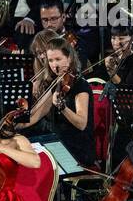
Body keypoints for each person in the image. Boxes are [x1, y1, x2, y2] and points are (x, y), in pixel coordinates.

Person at [27, 37, 95, 168]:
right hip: (59, 142)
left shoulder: (80, 85)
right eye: (51, 60)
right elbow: (36, 115)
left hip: (77, 148)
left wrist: (63, 108)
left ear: (69, 58)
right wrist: (14, 125)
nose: (54, 65)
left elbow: (81, 124)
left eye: (58, 59)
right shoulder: (56, 83)